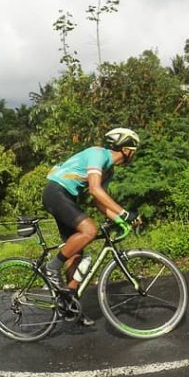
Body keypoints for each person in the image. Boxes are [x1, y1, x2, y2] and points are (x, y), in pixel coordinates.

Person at [41, 127, 142, 322]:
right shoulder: (98, 154)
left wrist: (121, 220)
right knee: (89, 230)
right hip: (56, 193)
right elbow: (95, 190)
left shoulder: (108, 170)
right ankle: (51, 268)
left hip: (68, 198)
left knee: (77, 254)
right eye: (134, 150)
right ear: (127, 149)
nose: (134, 154)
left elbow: (99, 202)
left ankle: (68, 304)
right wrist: (124, 213)